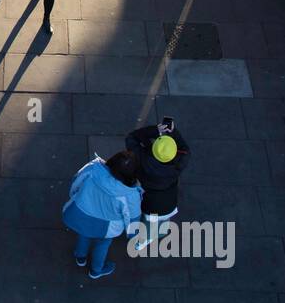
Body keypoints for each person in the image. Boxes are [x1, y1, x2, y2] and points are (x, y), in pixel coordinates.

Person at [62, 151, 142, 279]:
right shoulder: (130, 195)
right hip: (107, 227)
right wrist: (132, 234)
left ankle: (80, 257)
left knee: (83, 235)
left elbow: (76, 182)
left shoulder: (93, 169)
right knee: (102, 244)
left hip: (82, 215)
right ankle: (96, 270)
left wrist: (73, 196)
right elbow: (132, 217)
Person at [125, 119, 192, 250]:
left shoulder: (143, 158)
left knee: (147, 222)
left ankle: (141, 241)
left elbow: (131, 137)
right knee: (158, 221)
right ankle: (153, 235)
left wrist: (156, 130)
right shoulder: (180, 162)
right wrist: (173, 133)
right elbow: (185, 149)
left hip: (148, 201)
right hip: (168, 200)